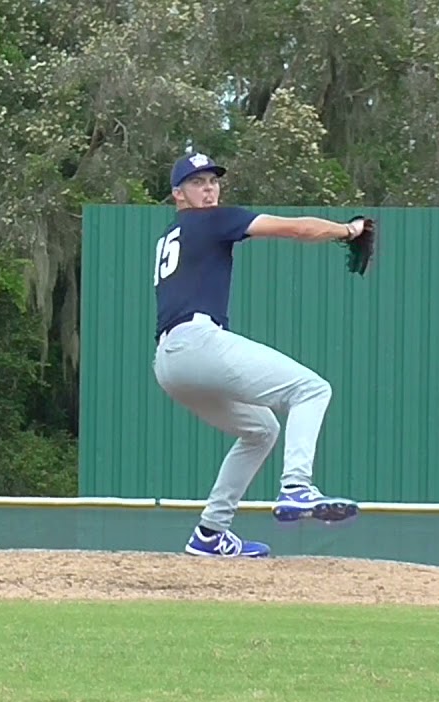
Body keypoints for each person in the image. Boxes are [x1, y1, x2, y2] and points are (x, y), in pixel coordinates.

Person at [152, 151, 364, 559]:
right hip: (196, 342)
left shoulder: (170, 234)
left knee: (261, 430)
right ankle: (297, 487)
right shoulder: (212, 220)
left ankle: (210, 533)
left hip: (169, 361)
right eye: (197, 183)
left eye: (213, 181)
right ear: (178, 194)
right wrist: (348, 230)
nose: (209, 188)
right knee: (311, 389)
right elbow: (298, 228)